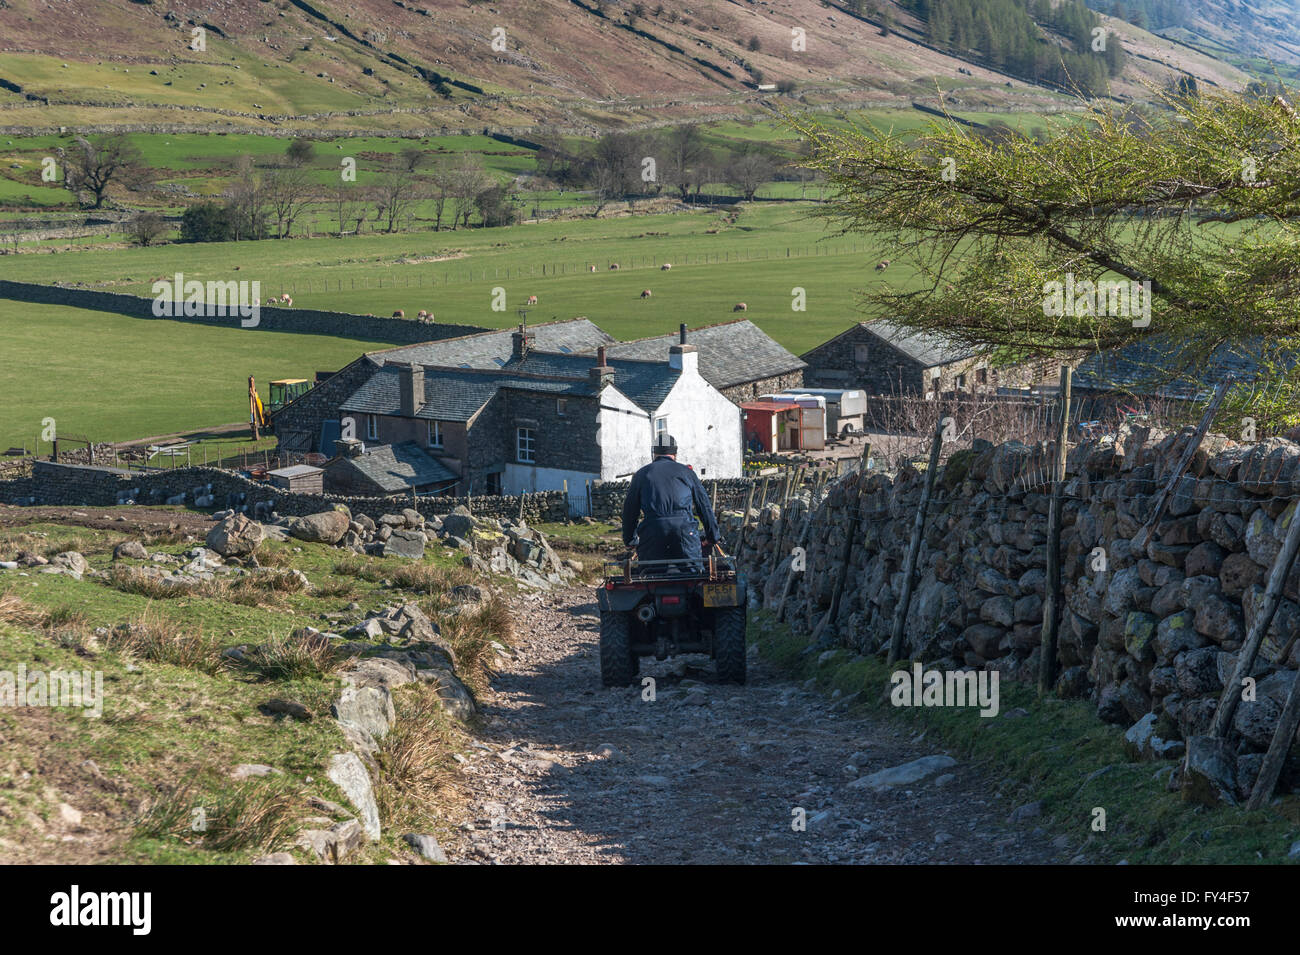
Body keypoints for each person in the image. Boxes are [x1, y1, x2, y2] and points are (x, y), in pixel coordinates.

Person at [621, 433, 722, 565]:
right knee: (692, 577)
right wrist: (713, 536)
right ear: (675, 453)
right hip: (685, 532)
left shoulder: (642, 474)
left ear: (654, 453)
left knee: (651, 578)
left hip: (652, 533)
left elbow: (630, 511)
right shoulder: (687, 473)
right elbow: (704, 505)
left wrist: (630, 540)